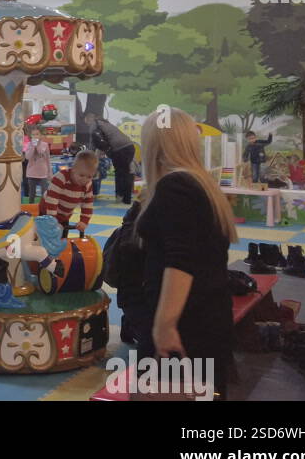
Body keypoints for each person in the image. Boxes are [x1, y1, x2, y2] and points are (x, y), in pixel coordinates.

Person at [135, 107, 236, 399]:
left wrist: (164, 325)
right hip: (207, 317)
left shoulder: (174, 186)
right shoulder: (200, 183)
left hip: (185, 325)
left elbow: (180, 262)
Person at [40, 150, 98, 238]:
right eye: (81, 175)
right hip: (47, 210)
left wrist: (84, 221)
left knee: (63, 238)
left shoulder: (87, 184)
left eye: (89, 176)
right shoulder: (61, 177)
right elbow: (52, 198)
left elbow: (88, 204)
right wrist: (52, 219)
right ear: (73, 169)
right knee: (46, 236)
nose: (84, 179)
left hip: (64, 215)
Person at [85, 112, 136, 204]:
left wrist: (88, 156)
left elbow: (93, 142)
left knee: (120, 173)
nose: (87, 125)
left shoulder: (94, 124)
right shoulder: (106, 124)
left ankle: (119, 197)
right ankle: (127, 198)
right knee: (126, 172)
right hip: (130, 146)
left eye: (86, 122)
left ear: (89, 119)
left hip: (119, 149)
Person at [23, 125, 51, 203]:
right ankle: (31, 209)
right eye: (33, 134)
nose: (35, 136)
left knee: (44, 193)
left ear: (40, 135)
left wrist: (49, 172)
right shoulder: (28, 144)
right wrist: (32, 146)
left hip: (43, 173)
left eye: (37, 134)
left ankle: (43, 208)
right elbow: (28, 157)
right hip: (31, 173)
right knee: (31, 194)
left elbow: (46, 158)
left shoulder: (45, 145)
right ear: (31, 136)